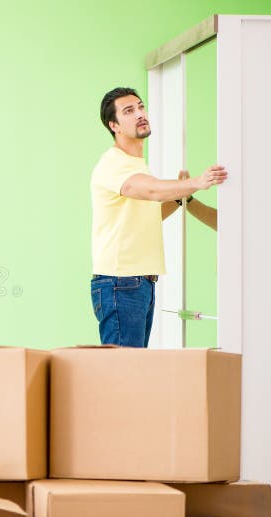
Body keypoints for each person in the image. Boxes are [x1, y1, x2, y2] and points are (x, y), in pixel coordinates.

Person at [90, 87, 227, 347]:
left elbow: (147, 215)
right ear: (114, 125)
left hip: (137, 282)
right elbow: (152, 190)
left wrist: (180, 197)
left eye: (141, 107)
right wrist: (197, 182)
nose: (140, 114)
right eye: (129, 111)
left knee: (133, 370)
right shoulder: (113, 163)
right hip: (120, 283)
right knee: (122, 374)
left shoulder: (135, 164)